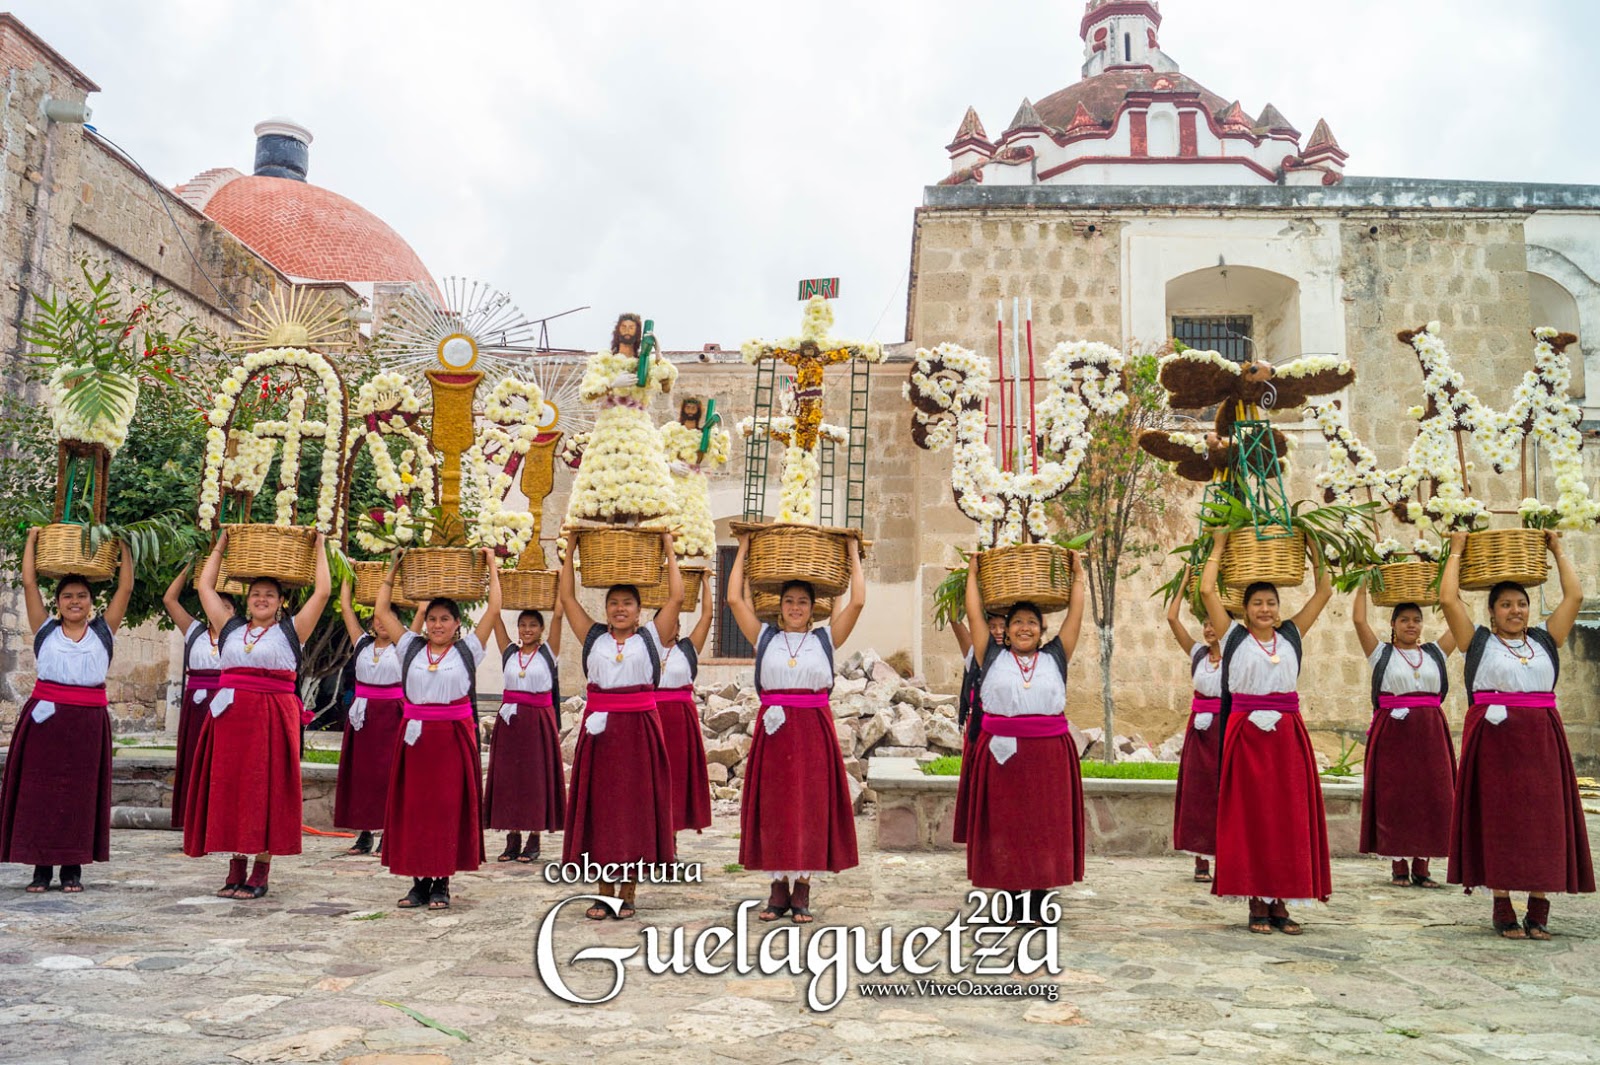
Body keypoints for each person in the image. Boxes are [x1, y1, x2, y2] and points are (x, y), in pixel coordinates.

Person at [1439, 529, 1593, 939]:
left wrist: (1557, 549)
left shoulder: (1545, 639)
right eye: (1505, 604)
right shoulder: (1478, 643)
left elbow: (1574, 598)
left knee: (1543, 822)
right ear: (1491, 612)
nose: (1515, 610)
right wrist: (1456, 551)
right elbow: (1448, 600)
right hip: (1495, 746)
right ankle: (1502, 904)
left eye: (1521, 604)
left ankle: (1540, 907)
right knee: (1501, 821)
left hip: (1542, 743)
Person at [725, 533, 865, 924]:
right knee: (776, 809)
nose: (796, 607)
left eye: (803, 602)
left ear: (813, 607)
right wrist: (745, 548)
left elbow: (857, 601)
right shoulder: (764, 637)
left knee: (810, 808)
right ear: (779, 606)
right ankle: (776, 892)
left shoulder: (826, 639)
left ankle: (801, 890)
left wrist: (852, 550)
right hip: (774, 734)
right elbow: (735, 599)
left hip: (813, 732)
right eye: (789, 602)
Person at [183, 529, 331, 899]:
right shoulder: (230, 627)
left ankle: (260, 871)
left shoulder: (291, 631)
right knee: (232, 790)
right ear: (247, 601)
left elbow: (323, 593)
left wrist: (320, 549)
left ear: (281, 602)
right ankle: (235, 868)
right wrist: (222, 545)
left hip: (271, 720)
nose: (261, 599)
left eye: (269, 595)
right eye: (256, 595)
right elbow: (205, 587)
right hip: (230, 720)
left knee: (265, 791)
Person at [1201, 530, 1334, 934]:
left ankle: (1283, 901)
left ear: (1278, 608)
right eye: (1257, 602)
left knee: (1288, 818)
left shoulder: (1291, 634)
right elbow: (1208, 589)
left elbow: (1325, 591)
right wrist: (1220, 545)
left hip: (1287, 737)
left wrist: (1314, 550)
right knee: (1252, 818)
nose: (1264, 608)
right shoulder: (1234, 636)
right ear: (1244, 609)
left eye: (1270, 602)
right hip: (1246, 737)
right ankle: (1257, 902)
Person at [957, 550, 1088, 920]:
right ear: (1007, 628)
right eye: (1017, 623)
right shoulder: (992, 655)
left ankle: (1039, 901)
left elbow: (1076, 617)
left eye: (1032, 622)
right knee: (1008, 828)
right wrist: (972, 571)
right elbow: (973, 613)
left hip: (1049, 757)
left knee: (1045, 829)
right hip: (1002, 758)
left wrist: (1078, 575)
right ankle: (1014, 901)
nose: (1024, 628)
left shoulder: (1056, 657)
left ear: (1042, 629)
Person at [0, 529, 133, 892]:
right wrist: (31, 540)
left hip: (88, 725)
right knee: (40, 793)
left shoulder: (104, 632)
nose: (75, 602)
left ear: (91, 602)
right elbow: (28, 583)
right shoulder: (44, 630)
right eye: (68, 596)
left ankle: (72, 868)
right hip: (45, 724)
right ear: (57, 602)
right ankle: (41, 869)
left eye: (82, 596)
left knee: (79, 794)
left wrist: (123, 547)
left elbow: (125, 589)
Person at [559, 533, 682, 920]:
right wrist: (573, 549)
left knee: (634, 811)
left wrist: (667, 548)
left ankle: (628, 892)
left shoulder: (650, 637)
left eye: (627, 603)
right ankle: (603, 892)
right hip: (600, 736)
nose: (619, 609)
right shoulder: (593, 636)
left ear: (640, 609)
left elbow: (676, 597)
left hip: (639, 734)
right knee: (602, 811)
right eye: (613, 603)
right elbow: (566, 599)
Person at [374, 549, 501, 910]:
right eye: (432, 619)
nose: (437, 625)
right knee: (415, 809)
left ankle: (441, 882)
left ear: (457, 624)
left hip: (451, 740)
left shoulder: (468, 651)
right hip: (414, 740)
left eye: (445, 619)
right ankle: (418, 883)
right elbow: (383, 612)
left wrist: (491, 566)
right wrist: (393, 571)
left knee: (445, 810)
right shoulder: (410, 648)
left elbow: (493, 609)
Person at [1351, 585, 1458, 888]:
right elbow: (1359, 621)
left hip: (1431, 735)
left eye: (1416, 619)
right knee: (1395, 797)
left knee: (1431, 797)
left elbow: (1457, 622)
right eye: (1405, 620)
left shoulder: (1435, 653)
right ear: (1393, 625)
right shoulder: (1381, 653)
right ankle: (1399, 865)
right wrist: (1362, 584)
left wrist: (1449, 585)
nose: (1412, 625)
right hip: (1393, 736)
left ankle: (1422, 867)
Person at [333, 576, 422, 856]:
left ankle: (389, 832)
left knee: (388, 775)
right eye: (376, 619)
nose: (380, 623)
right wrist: (348, 577)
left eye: (387, 618)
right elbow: (346, 609)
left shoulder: (405, 645)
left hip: (391, 715)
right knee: (362, 774)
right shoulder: (362, 644)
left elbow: (421, 611)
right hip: (363, 717)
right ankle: (364, 833)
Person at [486, 606, 566, 864]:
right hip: (510, 724)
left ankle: (534, 837)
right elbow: (495, 617)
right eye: (523, 625)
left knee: (534, 781)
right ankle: (512, 837)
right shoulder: (510, 652)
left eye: (533, 625)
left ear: (541, 629)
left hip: (537, 723)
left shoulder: (548, 653)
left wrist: (558, 604)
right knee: (510, 781)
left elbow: (559, 616)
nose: (527, 629)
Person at [160, 561, 236, 832]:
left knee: (222, 763)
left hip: (226, 704)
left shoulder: (240, 636)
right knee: (194, 759)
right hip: (196, 705)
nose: (222, 611)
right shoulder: (195, 632)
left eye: (227, 607)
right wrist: (190, 567)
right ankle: (193, 821)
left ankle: (221, 821)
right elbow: (169, 599)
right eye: (217, 605)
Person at [1167, 578, 1223, 883]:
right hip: (1199, 733)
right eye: (1205, 623)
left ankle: (1226, 856)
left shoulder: (1238, 654)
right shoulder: (1199, 655)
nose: (1209, 629)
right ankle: (1201, 860)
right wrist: (1182, 584)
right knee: (1198, 794)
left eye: (1214, 622)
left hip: (1226, 731)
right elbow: (1172, 619)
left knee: (1224, 794)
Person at [650, 593, 715, 840]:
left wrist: (707, 582)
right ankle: (651, 837)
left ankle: (672, 838)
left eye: (675, 621)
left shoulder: (686, 649)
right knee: (651, 778)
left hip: (679, 721)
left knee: (675, 778)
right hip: (650, 717)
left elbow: (707, 616)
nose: (670, 625)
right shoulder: (644, 648)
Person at [950, 605, 1007, 846]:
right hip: (977, 729)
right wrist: (961, 594)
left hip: (1003, 730)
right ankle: (979, 837)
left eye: (1002, 627)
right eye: (990, 626)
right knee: (977, 785)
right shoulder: (974, 653)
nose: (996, 632)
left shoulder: (1014, 658)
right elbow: (954, 619)